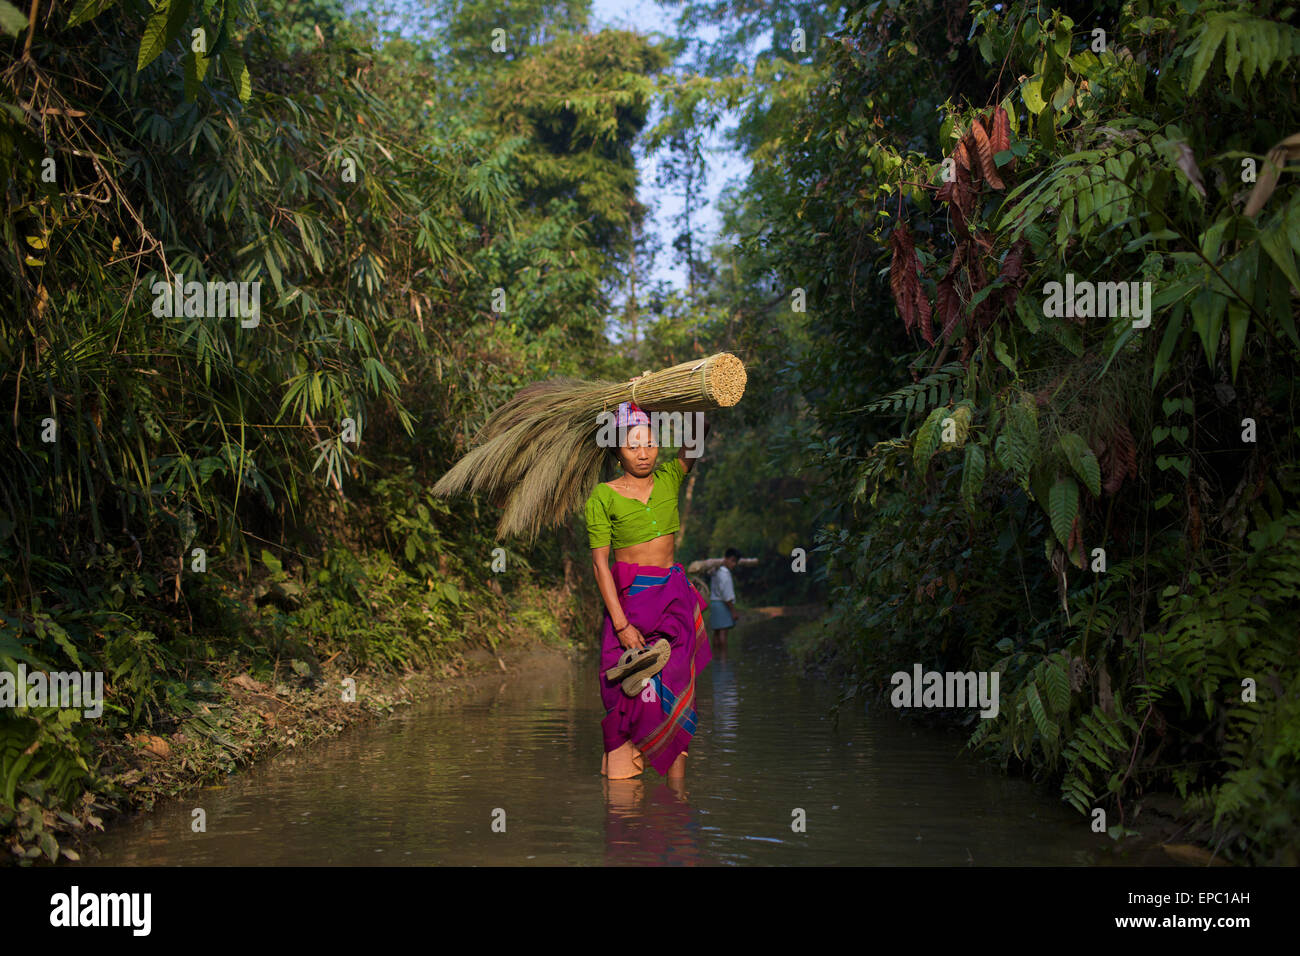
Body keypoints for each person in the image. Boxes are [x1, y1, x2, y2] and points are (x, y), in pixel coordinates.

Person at [585, 398, 712, 780]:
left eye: (650, 442)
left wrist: (684, 393)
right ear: (617, 452)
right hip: (630, 608)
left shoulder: (671, 476)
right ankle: (624, 803)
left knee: (672, 694)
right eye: (633, 445)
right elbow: (600, 565)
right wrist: (621, 626)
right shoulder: (603, 496)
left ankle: (676, 808)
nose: (643, 453)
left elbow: (701, 432)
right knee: (627, 692)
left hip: (673, 605)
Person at [709, 548, 741, 648]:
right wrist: (733, 611)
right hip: (722, 605)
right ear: (726, 559)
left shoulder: (715, 570)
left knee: (716, 632)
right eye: (732, 561)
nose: (734, 564)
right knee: (723, 632)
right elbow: (727, 596)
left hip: (714, 603)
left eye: (735, 562)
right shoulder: (724, 574)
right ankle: (723, 658)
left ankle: (717, 657)